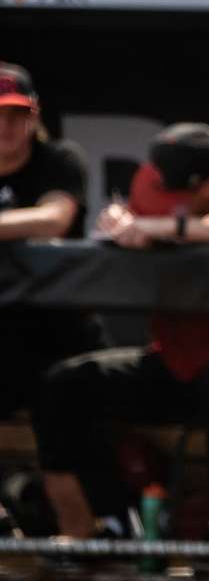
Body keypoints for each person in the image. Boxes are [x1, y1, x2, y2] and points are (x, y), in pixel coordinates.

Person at [31, 123, 209, 540]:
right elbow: (124, 222)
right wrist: (120, 223)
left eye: (186, 194)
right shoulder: (151, 181)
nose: (174, 203)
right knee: (64, 386)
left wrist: (163, 229)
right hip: (172, 360)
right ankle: (116, 521)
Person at [0, 62, 106, 439]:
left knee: (66, 459)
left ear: (35, 114)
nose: (6, 126)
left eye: (17, 114)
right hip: (5, 332)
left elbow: (54, 218)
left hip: (57, 333)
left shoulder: (59, 159)